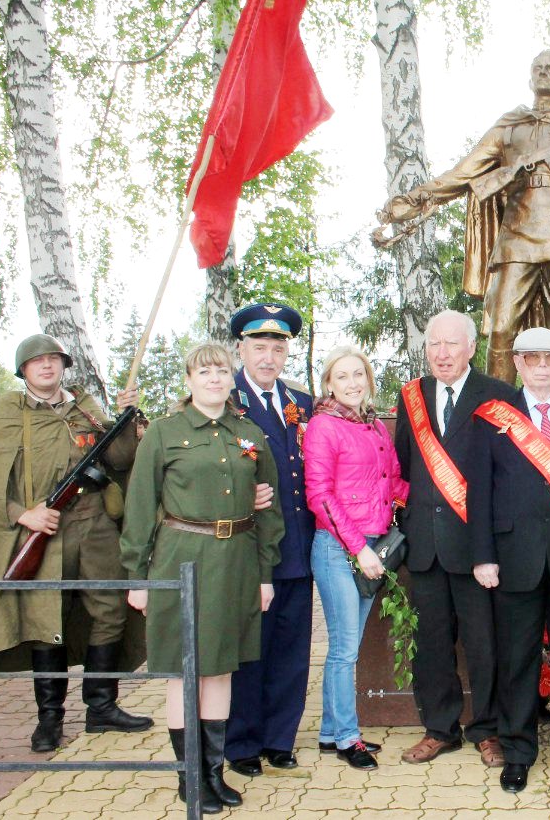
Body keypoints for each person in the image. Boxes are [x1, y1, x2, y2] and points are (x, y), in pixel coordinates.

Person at [0, 334, 150, 751]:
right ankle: (49, 720)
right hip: (45, 526)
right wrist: (24, 514)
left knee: (109, 607)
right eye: (38, 362)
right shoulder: (9, 412)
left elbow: (119, 460)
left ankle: (101, 707)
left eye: (54, 359)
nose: (47, 366)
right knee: (44, 616)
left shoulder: (86, 407)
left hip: (95, 522)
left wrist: (125, 418)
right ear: (24, 371)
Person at [379, 50, 550, 381]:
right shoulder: (510, 126)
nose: (544, 72)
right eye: (538, 68)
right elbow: (465, 172)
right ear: (529, 77)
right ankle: (498, 413)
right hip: (515, 242)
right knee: (502, 329)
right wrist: (416, 198)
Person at [122, 342, 285, 813]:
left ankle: (213, 773)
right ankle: (188, 776)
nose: (214, 378)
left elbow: (268, 508)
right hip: (181, 559)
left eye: (220, 370)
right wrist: (138, 576)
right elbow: (139, 506)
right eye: (203, 371)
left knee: (221, 666)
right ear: (189, 380)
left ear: (232, 377)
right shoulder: (164, 434)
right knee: (184, 669)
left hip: (236, 560)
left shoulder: (249, 433)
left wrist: (265, 573)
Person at [470, 327, 550, 796]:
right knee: (517, 662)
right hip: (513, 559)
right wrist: (483, 555)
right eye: (533, 359)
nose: (543, 367)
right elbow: (479, 491)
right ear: (518, 364)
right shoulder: (492, 419)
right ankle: (519, 752)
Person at [393, 310, 515, 766]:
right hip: (426, 543)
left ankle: (487, 728)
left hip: (479, 546)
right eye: (433, 345)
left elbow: (508, 474)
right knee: (432, 644)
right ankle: (439, 729)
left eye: (450, 345)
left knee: (485, 644)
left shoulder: (499, 396)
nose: (441, 354)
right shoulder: (412, 397)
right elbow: (405, 467)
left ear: (470, 347)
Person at [303, 345, 408, 770]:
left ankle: (331, 732)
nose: (352, 383)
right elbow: (320, 497)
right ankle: (348, 737)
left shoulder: (376, 427)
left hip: (373, 544)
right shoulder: (323, 427)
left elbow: (394, 481)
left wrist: (440, 501)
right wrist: (358, 547)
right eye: (342, 376)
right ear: (329, 383)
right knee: (345, 648)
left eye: (358, 375)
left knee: (349, 645)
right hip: (339, 547)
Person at [225, 302, 317, 777]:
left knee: (290, 651)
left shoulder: (301, 403)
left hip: (297, 549)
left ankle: (280, 739)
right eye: (258, 346)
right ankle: (241, 742)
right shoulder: (226, 403)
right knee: (249, 651)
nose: (268, 357)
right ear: (240, 349)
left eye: (277, 348)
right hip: (248, 552)